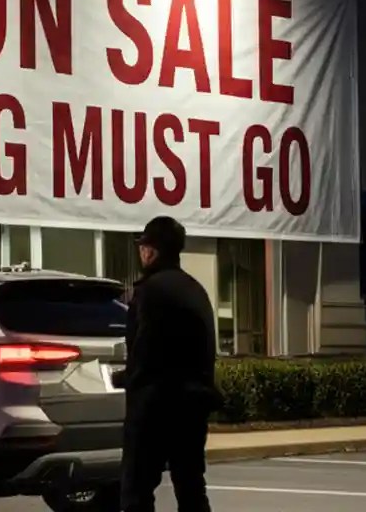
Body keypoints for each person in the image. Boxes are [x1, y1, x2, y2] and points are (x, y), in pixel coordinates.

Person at [116, 216, 220, 512]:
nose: (141, 253)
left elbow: (144, 349)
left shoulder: (151, 290)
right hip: (194, 405)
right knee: (190, 487)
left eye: (143, 247)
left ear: (151, 251)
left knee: (136, 490)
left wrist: (128, 379)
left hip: (155, 405)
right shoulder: (195, 290)